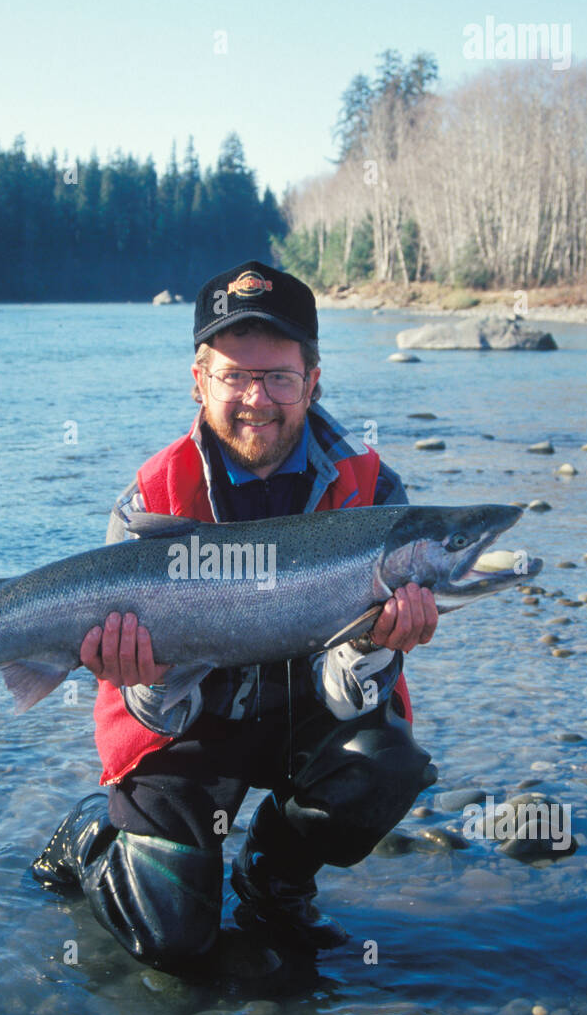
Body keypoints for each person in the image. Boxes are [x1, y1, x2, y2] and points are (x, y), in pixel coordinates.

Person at [32, 260, 439, 967]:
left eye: (279, 376)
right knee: (170, 943)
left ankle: (273, 879)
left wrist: (375, 641)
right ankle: (93, 838)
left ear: (312, 381)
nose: (257, 398)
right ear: (199, 381)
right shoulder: (151, 498)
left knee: (385, 764)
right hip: (188, 724)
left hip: (306, 713)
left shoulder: (373, 490)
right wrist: (147, 672)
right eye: (234, 376)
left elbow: (356, 698)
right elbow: (153, 717)